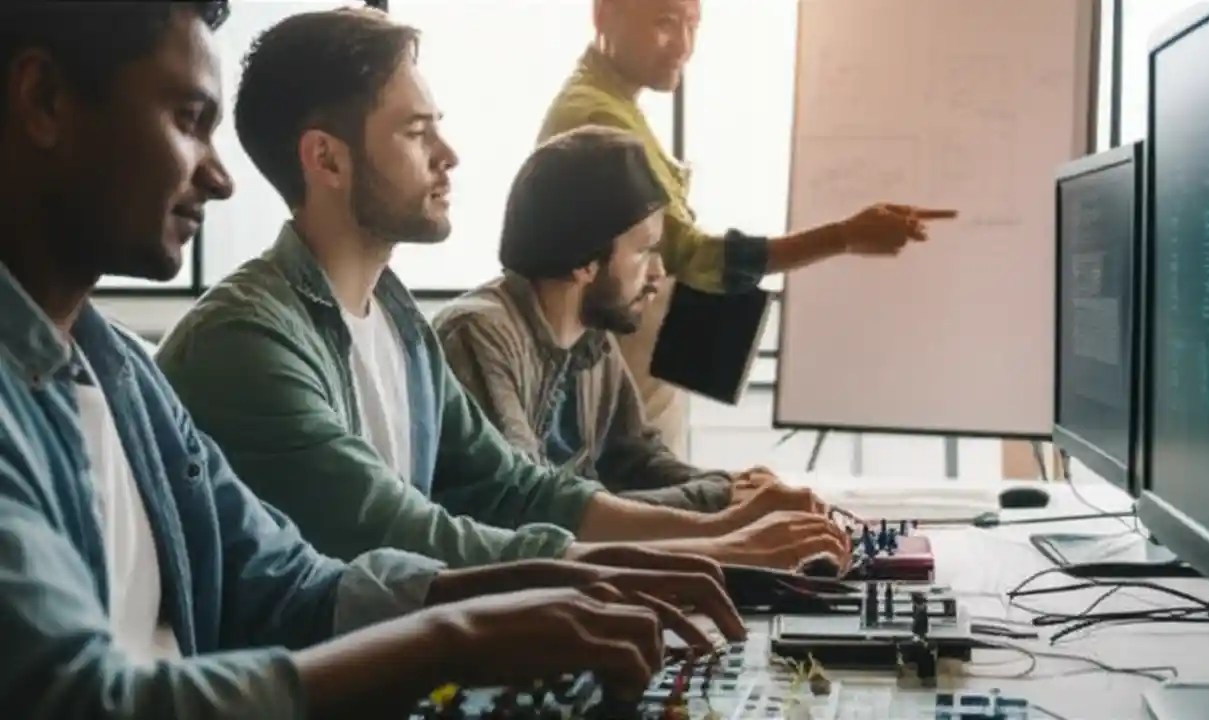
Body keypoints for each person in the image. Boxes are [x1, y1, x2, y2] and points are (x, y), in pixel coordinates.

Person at [0, 2, 748, 715]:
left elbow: (283, 582)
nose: (220, 177)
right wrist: (455, 637)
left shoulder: (120, 372)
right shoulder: (241, 342)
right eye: (188, 121)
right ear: (44, 102)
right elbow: (78, 702)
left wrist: (562, 578)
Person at [156, 7, 852, 573]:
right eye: (417, 131)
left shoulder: (399, 322)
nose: (449, 154)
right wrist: (714, 551)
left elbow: (517, 489)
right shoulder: (247, 340)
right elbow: (407, 537)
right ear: (327, 159)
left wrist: (725, 521)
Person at [539, 0, 959, 455]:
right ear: (605, 16)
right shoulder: (596, 118)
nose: (683, 45)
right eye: (664, 22)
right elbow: (692, 255)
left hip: (637, 373)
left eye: (693, 25)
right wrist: (844, 237)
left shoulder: (614, 105)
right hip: (618, 383)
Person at [435, 126, 796, 514]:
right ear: (585, 262)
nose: (658, 271)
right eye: (644, 251)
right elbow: (531, 505)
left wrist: (733, 486)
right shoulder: (478, 335)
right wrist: (716, 497)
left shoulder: (592, 338)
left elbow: (635, 459)